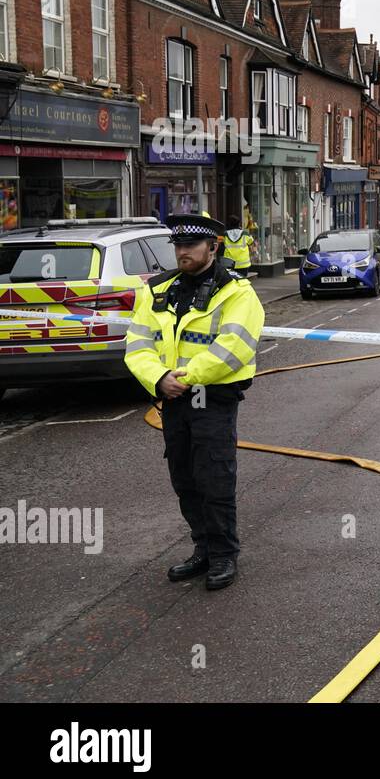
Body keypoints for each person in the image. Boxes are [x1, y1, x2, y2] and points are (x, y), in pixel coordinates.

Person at [123, 214, 265, 592]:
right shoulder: (157, 290)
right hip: (172, 399)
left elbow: (234, 347)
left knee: (214, 477)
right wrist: (158, 378)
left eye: (191, 245)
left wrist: (183, 378)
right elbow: (138, 344)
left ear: (212, 247)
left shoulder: (236, 292)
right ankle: (202, 547)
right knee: (184, 478)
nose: (182, 252)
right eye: (178, 245)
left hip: (212, 397)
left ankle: (223, 554)